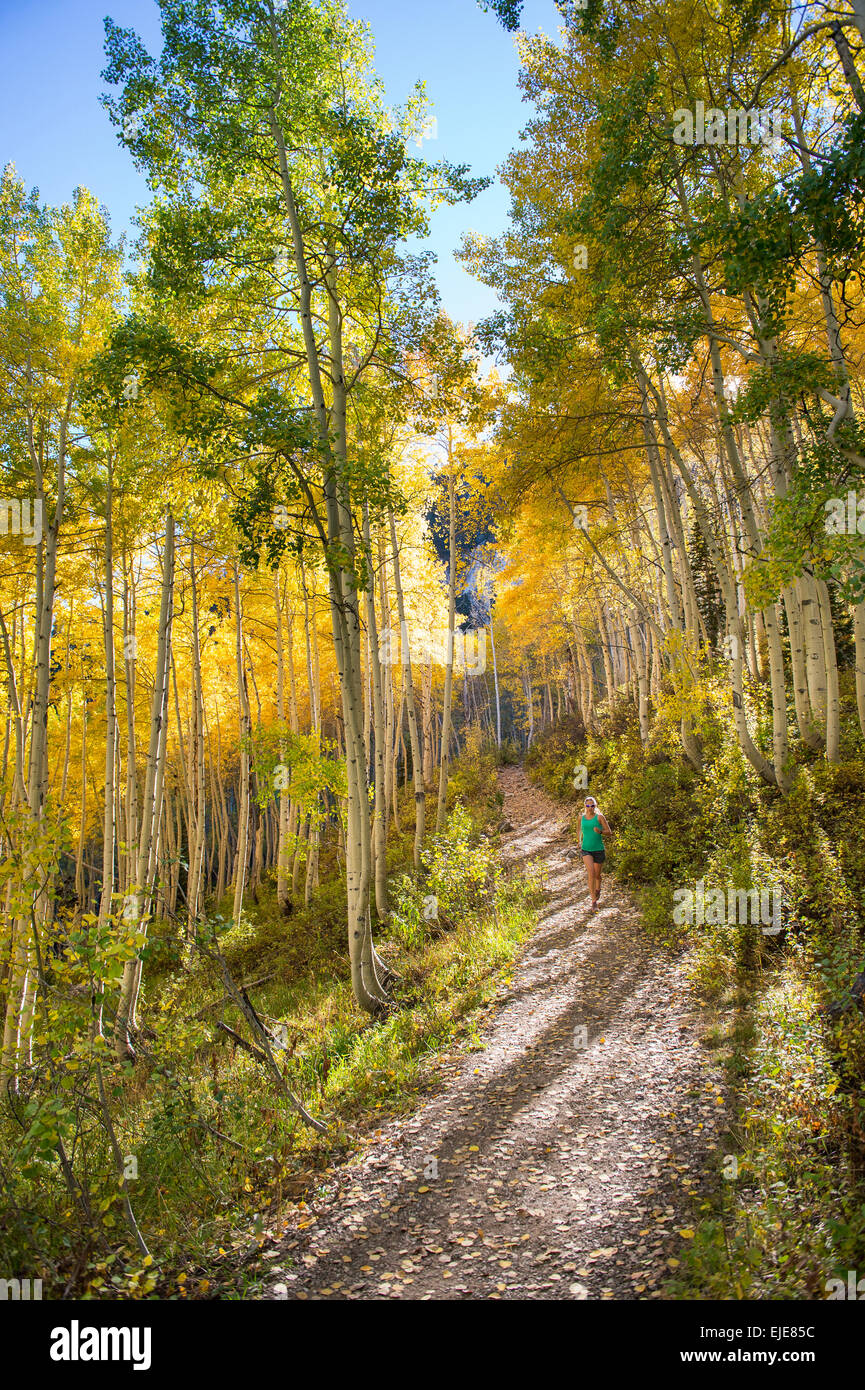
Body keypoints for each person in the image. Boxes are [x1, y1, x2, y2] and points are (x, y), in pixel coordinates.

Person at [580, 795, 611, 910]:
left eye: (592, 805)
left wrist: (601, 831)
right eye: (587, 805)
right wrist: (579, 842)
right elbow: (579, 831)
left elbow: (609, 832)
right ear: (585, 806)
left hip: (598, 849)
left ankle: (598, 889)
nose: (590, 807)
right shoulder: (581, 818)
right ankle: (593, 901)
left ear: (595, 806)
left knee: (597, 875)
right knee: (591, 873)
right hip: (586, 849)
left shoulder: (599, 817)